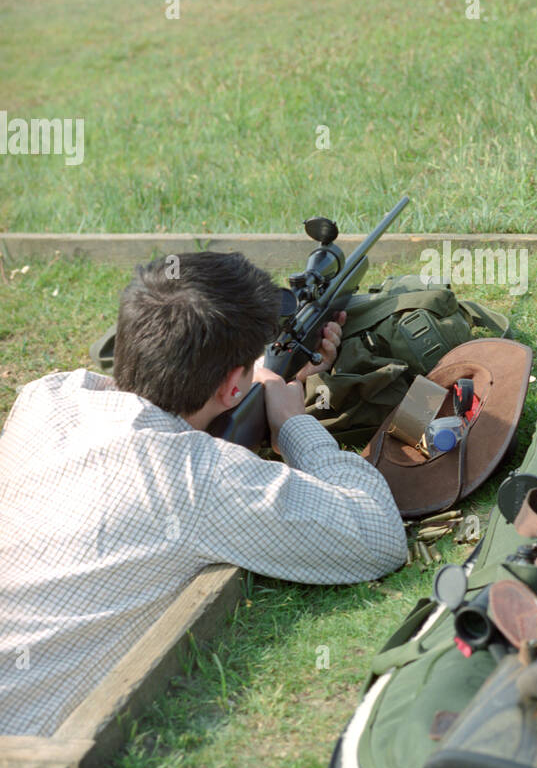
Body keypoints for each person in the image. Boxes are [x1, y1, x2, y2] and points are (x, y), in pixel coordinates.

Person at [0, 252, 406, 738]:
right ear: (235, 386)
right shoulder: (197, 480)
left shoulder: (45, 399)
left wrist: (251, 381)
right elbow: (379, 535)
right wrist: (292, 421)